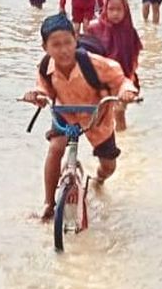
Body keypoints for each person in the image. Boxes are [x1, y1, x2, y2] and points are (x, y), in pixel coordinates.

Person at [22, 14, 138, 221]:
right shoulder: (45, 67)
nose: (64, 49)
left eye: (68, 42)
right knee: (55, 148)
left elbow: (121, 79)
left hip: (97, 116)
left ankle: (98, 180)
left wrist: (127, 91)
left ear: (75, 40)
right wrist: (36, 96)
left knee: (109, 166)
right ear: (45, 47)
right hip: (66, 113)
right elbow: (44, 91)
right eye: (56, 45)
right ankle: (48, 204)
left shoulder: (94, 64)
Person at [86, 0, 142, 132]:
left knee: (119, 111)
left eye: (119, 10)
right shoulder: (94, 29)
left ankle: (124, 142)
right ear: (105, 9)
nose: (115, 13)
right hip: (100, 79)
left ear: (126, 11)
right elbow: (86, 55)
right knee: (100, 116)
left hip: (123, 79)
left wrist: (129, 80)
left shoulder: (129, 31)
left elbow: (133, 58)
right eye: (111, 9)